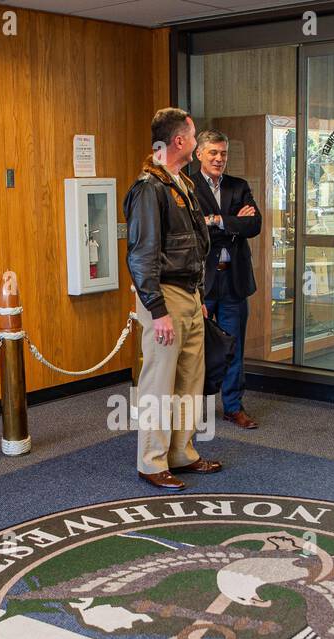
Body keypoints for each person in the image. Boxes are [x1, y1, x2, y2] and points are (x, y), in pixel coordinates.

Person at [124, 107, 217, 491]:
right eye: (194, 137)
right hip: (164, 297)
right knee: (159, 383)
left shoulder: (184, 184)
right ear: (179, 141)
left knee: (189, 381)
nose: (197, 144)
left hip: (190, 295)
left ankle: (181, 453)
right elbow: (141, 255)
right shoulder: (150, 188)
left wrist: (198, 296)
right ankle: (151, 461)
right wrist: (157, 310)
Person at [185, 128, 263, 430]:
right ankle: (191, 409)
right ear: (199, 154)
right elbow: (194, 230)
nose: (219, 158)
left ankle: (233, 407)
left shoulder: (238, 186)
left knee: (233, 348)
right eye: (213, 153)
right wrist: (233, 223)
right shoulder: (187, 185)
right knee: (194, 349)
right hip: (201, 282)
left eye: (223, 153)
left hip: (233, 281)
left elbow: (253, 223)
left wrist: (216, 220)